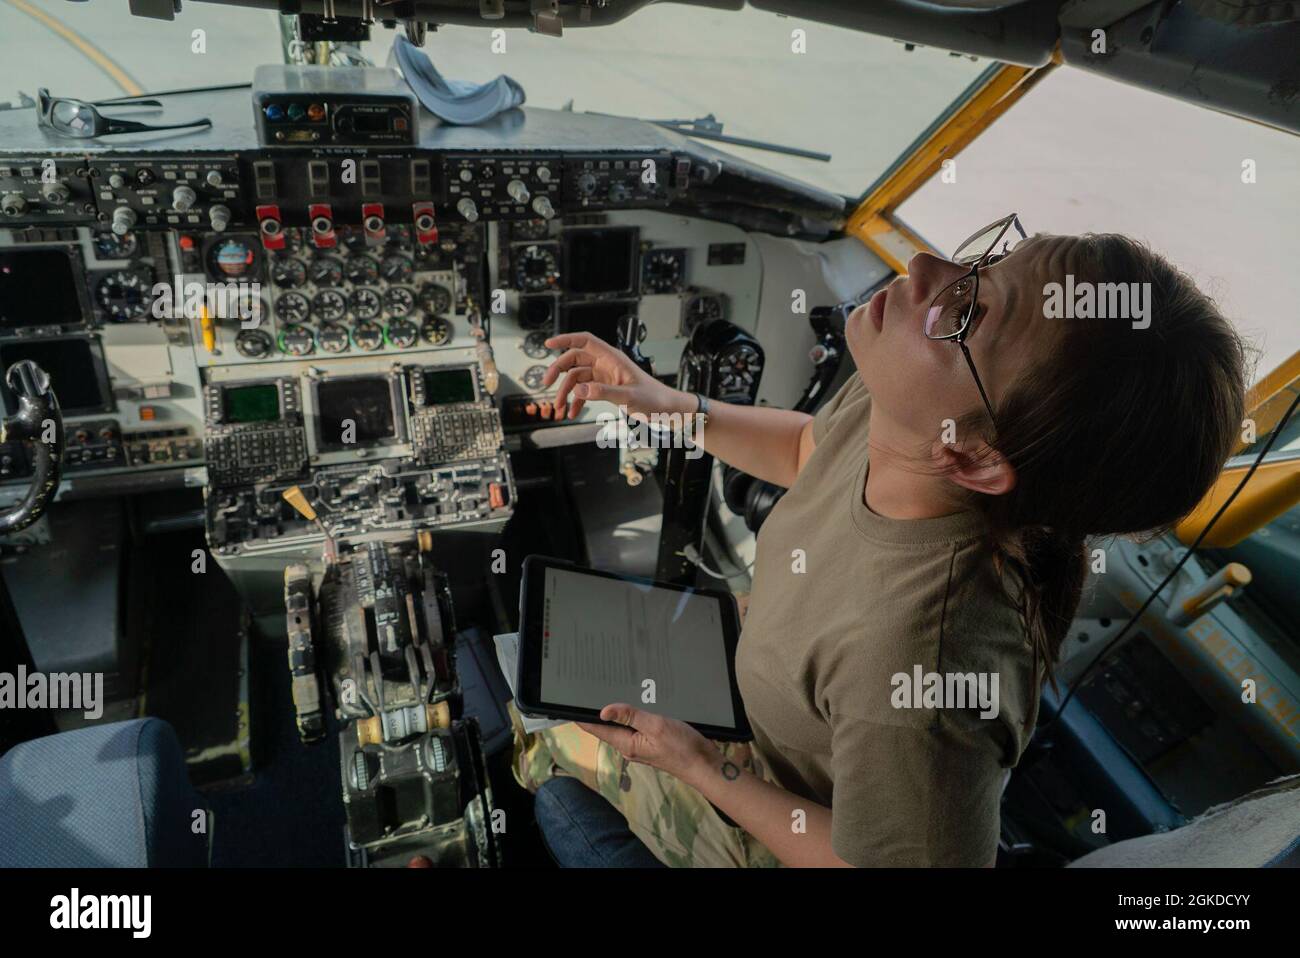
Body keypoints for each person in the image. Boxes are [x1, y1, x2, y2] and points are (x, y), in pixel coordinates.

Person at [511, 216, 1249, 867]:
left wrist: (704, 768)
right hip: (738, 685)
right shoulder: (910, 404)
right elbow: (810, 452)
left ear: (978, 460)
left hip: (770, 808)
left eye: (968, 309)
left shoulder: (916, 665)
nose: (927, 269)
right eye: (985, 262)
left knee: (535, 732)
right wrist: (674, 406)